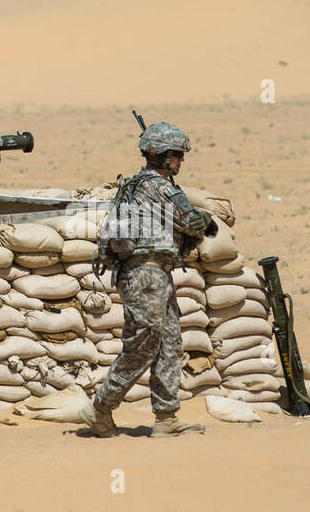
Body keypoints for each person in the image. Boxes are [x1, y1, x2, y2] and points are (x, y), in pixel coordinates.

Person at [81, 121, 217, 437]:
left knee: (169, 344)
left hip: (155, 275)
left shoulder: (135, 185)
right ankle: (100, 408)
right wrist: (208, 219)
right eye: (177, 156)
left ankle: (166, 417)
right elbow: (190, 221)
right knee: (142, 346)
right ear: (162, 156)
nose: (181, 162)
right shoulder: (160, 187)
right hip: (146, 277)